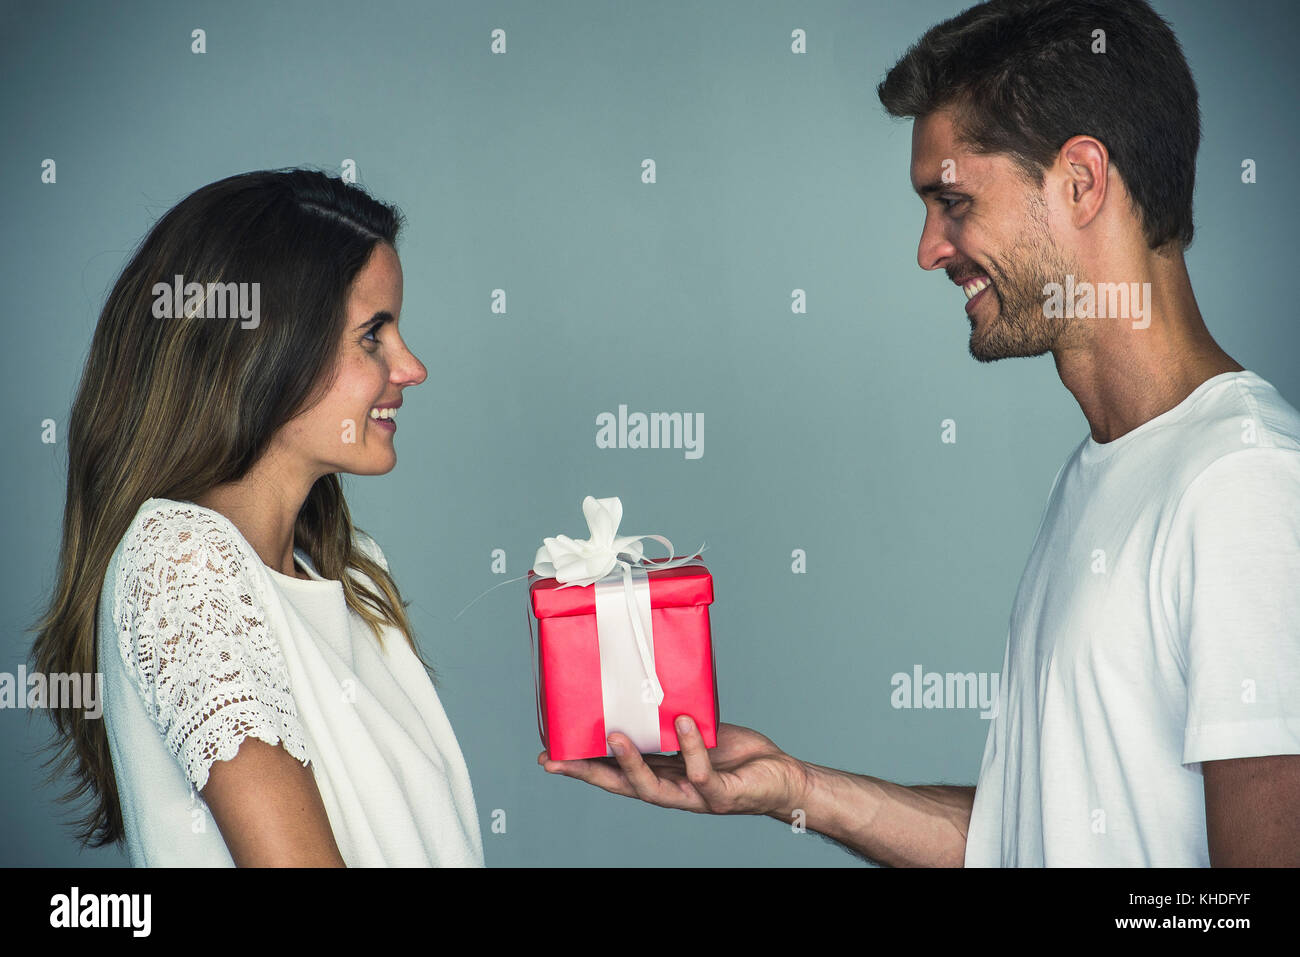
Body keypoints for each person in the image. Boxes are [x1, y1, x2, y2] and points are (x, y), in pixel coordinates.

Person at [540, 0, 1300, 866]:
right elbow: (1035, 835)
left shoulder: (1246, 486)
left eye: (954, 201)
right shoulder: (1108, 471)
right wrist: (796, 788)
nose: (930, 248)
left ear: (1082, 181)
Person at [31, 169, 485, 866]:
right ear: (265, 349)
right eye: (373, 336)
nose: (412, 367)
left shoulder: (351, 576)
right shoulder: (182, 562)